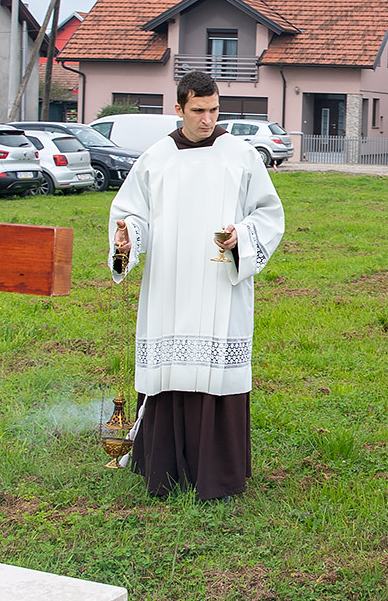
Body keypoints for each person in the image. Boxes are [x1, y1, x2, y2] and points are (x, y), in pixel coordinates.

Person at [109, 70, 285, 501]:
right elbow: (135, 215)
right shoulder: (156, 158)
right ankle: (162, 470)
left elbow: (268, 214)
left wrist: (240, 236)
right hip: (168, 283)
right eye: (198, 111)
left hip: (220, 281)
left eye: (214, 110)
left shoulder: (240, 155)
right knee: (168, 368)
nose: (208, 120)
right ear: (179, 109)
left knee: (216, 372)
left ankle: (217, 476)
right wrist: (129, 235)